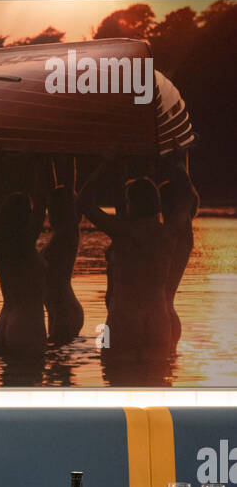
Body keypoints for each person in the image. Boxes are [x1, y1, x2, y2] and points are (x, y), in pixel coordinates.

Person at [78, 162, 173, 361]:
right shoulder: (167, 234)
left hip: (124, 317)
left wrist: (104, 164)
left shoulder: (123, 232)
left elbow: (84, 201)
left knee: (117, 383)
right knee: (157, 386)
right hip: (158, 319)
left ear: (134, 204)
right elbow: (182, 198)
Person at [0, 191, 47, 361]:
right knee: (30, 382)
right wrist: (45, 165)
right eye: (28, 211)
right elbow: (41, 205)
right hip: (25, 324)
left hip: (3, 324)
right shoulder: (25, 245)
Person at [160, 155, 199, 351]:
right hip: (168, 315)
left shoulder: (174, 234)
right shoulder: (182, 233)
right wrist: (181, 160)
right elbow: (186, 196)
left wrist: (180, 164)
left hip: (163, 318)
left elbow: (185, 197)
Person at [41, 182, 84, 346]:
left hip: (65, 310)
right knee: (54, 364)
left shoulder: (68, 233)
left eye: (52, 210)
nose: (49, 215)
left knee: (56, 364)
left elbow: (68, 193)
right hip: (57, 310)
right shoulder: (59, 235)